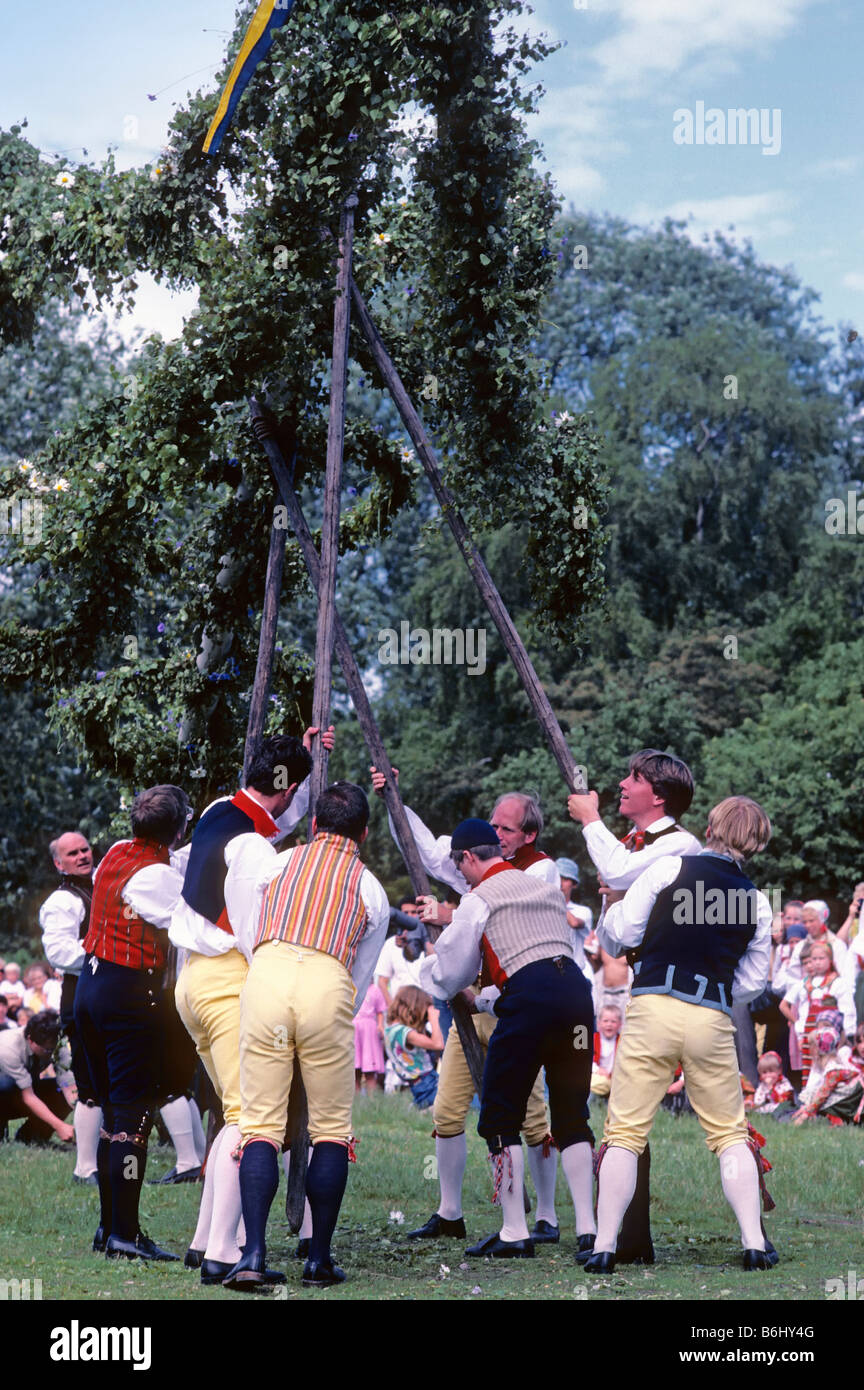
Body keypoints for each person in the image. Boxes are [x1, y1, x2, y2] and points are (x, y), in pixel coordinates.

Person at [584, 796, 775, 1274]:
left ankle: (605, 1246)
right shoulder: (756, 899)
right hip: (711, 1015)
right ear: (756, 841)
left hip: (653, 1006)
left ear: (710, 825)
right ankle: (754, 1244)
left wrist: (610, 908)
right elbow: (751, 984)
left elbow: (623, 931)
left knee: (624, 1133)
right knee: (729, 1133)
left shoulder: (668, 868)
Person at [374, 779, 563, 1248]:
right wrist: (394, 797)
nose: (497, 833)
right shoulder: (476, 868)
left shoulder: (541, 874)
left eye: (507, 827)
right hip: (468, 1002)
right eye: (494, 825)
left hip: (510, 1004)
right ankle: (450, 1212)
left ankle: (546, 1215)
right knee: (446, 1109)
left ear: (528, 835)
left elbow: (494, 918)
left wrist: (450, 912)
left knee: (532, 1114)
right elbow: (431, 848)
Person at [170, 728, 329, 1284]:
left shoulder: (219, 810)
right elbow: (251, 932)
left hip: (190, 979)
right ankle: (220, 1251)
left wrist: (305, 763)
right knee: (252, 1118)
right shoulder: (256, 850)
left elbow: (277, 813)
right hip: (229, 980)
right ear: (286, 789)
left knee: (233, 1115)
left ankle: (204, 1240)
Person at [223, 781, 390, 1291]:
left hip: (269, 976)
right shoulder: (371, 888)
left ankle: (252, 1253)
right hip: (327, 986)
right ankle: (318, 1258)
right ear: (363, 832)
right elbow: (360, 977)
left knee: (261, 1125)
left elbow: (252, 932)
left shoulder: (276, 863)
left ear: (315, 823)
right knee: (332, 1128)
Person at [417, 818, 595, 1259]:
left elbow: (453, 972)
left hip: (529, 1001)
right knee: (572, 1115)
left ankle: (515, 1231)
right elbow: (535, 960)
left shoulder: (479, 899)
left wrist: (431, 975)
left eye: (462, 869)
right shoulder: (544, 886)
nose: (462, 878)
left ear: (470, 858)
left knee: (499, 1117)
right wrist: (490, 1001)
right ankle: (589, 1230)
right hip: (575, 995)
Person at [73, 784, 190, 1262]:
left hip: (91, 986)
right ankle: (125, 1233)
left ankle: (108, 1229)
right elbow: (186, 925)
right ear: (178, 827)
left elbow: (172, 864)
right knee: (133, 1118)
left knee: (109, 1115)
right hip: (128, 994)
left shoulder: (118, 853)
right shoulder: (157, 875)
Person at [780, 941, 855, 1085]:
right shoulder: (805, 983)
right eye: (814, 959)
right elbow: (788, 1007)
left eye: (821, 959)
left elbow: (848, 1012)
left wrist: (845, 1036)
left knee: (830, 1064)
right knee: (811, 1068)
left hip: (832, 1034)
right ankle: (810, 1097)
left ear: (830, 959)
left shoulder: (838, 983)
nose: (817, 963)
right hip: (810, 1032)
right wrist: (800, 1031)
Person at [0, 1010, 75, 1145]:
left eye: (54, 1049)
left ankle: (31, 1137)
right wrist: (59, 1126)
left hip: (22, 1089)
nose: (51, 1054)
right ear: (30, 1039)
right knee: (6, 1084)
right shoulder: (7, 1047)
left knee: (59, 1089)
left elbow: (68, 1085)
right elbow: (28, 1096)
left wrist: (85, 1122)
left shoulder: (56, 1044)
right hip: (7, 1091)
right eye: (46, 1050)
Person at [383, 986, 444, 1109]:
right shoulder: (405, 1032)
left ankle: (421, 1107)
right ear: (414, 1007)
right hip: (428, 1084)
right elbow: (438, 1044)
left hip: (417, 1085)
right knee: (470, 1102)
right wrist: (433, 1017)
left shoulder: (390, 1030)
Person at [791, 1022, 863, 1125]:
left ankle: (837, 1120)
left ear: (817, 1049)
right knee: (814, 1092)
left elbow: (823, 1094)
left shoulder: (833, 1068)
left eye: (810, 1045)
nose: (809, 1049)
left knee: (819, 1095)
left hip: (850, 1101)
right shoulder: (834, 1065)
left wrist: (805, 1114)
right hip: (848, 1099)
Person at [354, 981, 387, 1094]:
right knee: (354, 1070)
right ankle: (356, 1104)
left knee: (370, 1071)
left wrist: (380, 1025)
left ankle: (373, 1104)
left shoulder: (374, 989)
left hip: (369, 1031)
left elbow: (380, 1011)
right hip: (353, 1029)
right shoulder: (350, 986)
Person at [745, 1051, 795, 1116]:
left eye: (771, 1071)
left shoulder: (784, 1083)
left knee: (784, 1111)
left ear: (779, 1071)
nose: (768, 1075)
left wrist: (772, 1091)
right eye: (764, 1072)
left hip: (781, 1108)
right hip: (766, 1109)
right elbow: (758, 1098)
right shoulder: (762, 1085)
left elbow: (786, 1099)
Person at [590, 1005, 622, 1099]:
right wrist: (597, 1070)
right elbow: (586, 1060)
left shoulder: (622, 1041)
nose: (609, 1024)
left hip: (615, 1079)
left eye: (613, 1021)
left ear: (620, 1024)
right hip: (597, 1077)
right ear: (598, 1023)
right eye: (605, 1021)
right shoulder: (593, 1039)